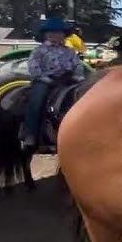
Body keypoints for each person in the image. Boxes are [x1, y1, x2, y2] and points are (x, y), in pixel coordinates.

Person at [23, 17, 84, 148]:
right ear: (45, 34)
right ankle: (30, 133)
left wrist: (78, 77)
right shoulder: (39, 51)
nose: (54, 35)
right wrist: (44, 78)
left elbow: (77, 66)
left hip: (67, 79)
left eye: (58, 32)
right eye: (51, 32)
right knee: (37, 98)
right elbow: (33, 67)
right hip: (45, 80)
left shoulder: (69, 51)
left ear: (63, 35)